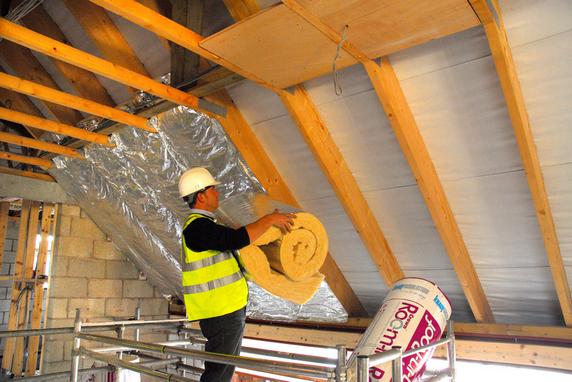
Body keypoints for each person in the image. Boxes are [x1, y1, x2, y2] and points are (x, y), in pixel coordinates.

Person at [178, 167, 294, 382]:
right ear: (201, 196)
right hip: (220, 311)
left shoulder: (207, 226)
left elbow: (231, 243)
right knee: (219, 373)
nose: (217, 193)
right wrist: (269, 220)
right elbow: (235, 239)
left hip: (225, 309)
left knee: (223, 370)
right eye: (213, 189)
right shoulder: (196, 228)